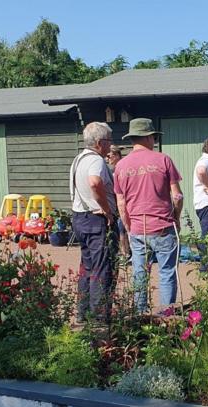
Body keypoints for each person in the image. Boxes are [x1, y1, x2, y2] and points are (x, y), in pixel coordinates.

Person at [114, 118, 184, 312]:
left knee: (139, 273)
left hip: (137, 227)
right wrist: (176, 217)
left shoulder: (121, 166)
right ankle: (166, 314)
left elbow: (121, 202)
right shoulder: (163, 159)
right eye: (153, 136)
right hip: (163, 226)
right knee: (167, 273)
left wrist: (128, 226)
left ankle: (139, 317)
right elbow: (177, 196)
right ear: (148, 137)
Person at [70, 122, 118, 323]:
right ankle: (99, 318)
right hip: (96, 219)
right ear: (99, 143)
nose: (110, 146)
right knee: (102, 268)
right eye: (108, 141)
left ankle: (83, 314)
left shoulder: (77, 159)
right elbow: (94, 182)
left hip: (80, 217)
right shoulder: (96, 161)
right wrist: (107, 210)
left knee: (87, 268)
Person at [106, 144, 131, 258]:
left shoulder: (120, 170)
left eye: (109, 156)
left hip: (124, 203)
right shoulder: (112, 171)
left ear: (116, 155)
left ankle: (126, 253)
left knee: (123, 228)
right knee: (121, 229)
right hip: (115, 205)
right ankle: (125, 252)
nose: (107, 159)